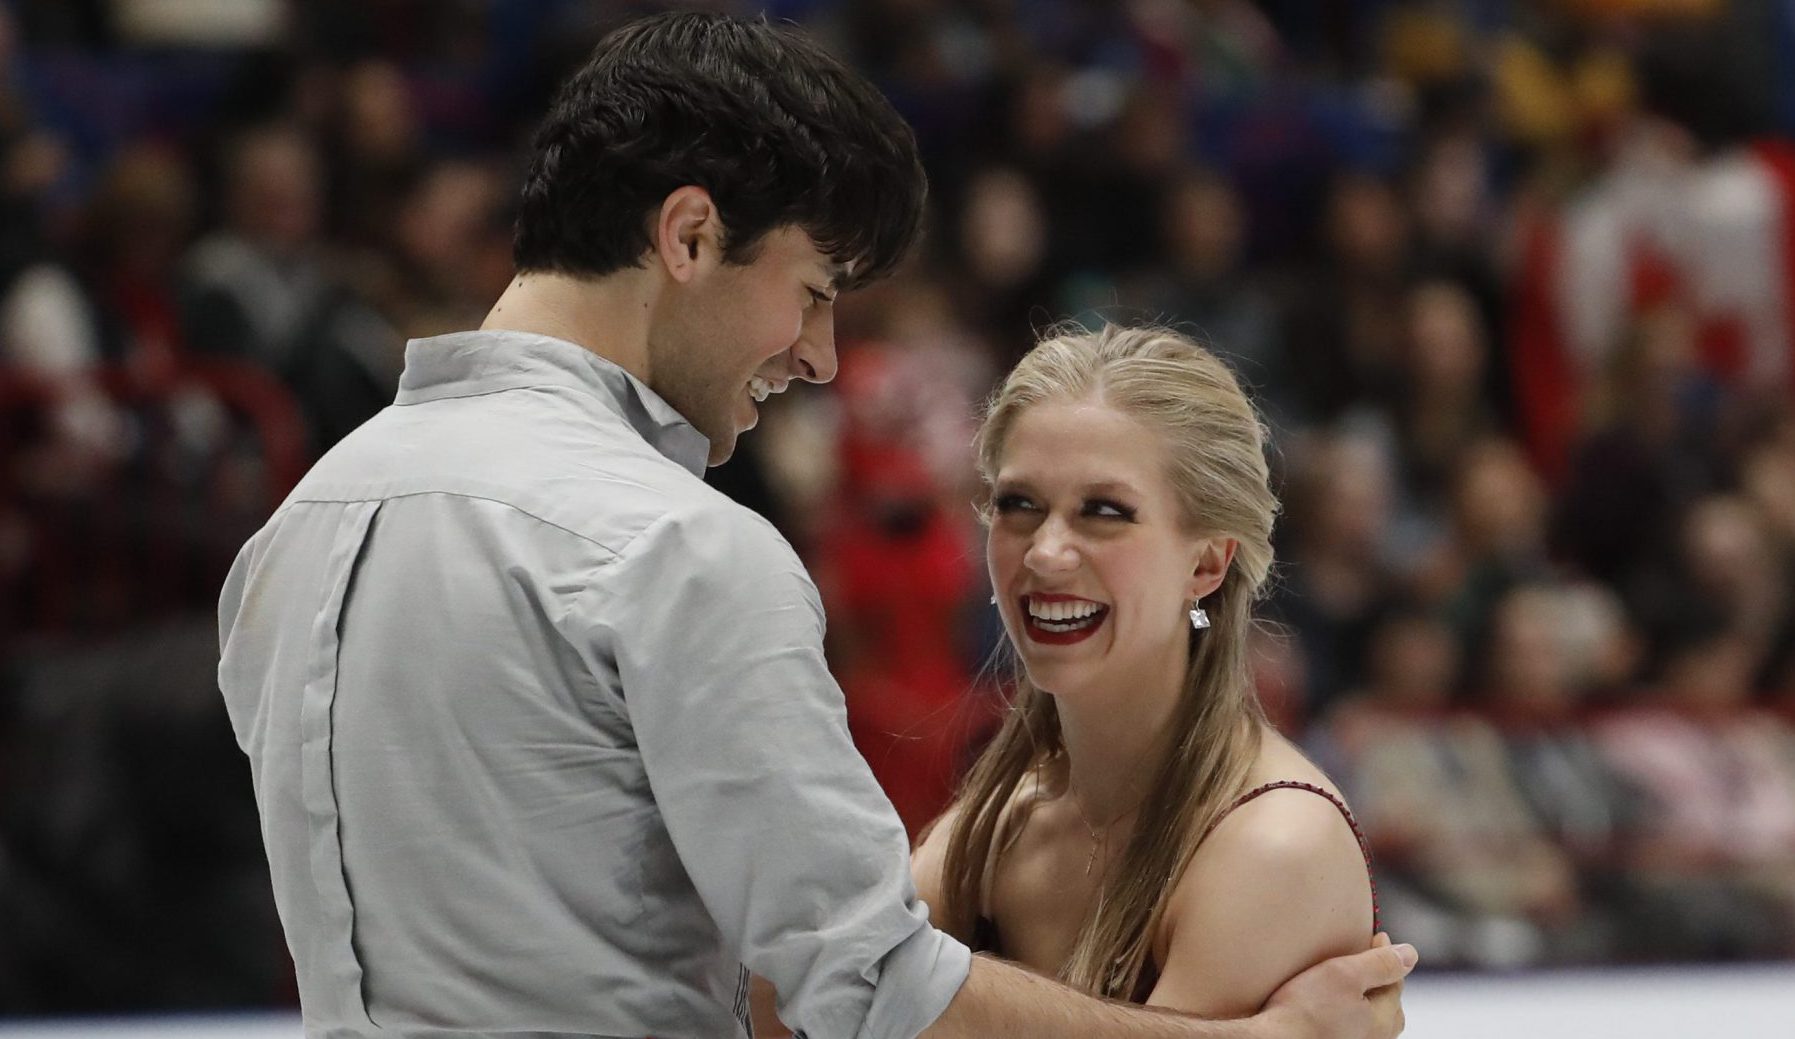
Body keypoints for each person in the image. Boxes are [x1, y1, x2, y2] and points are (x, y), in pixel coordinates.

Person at [217, 13, 1414, 1039]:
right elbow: (868, 986)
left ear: (1212, 557)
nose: (820, 354)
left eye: (1103, 510)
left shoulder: (293, 533)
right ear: (689, 236)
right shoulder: (677, 547)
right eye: (813, 290)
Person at [912, 324, 1382, 1014]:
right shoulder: (995, 825)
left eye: (1103, 512)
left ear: (1207, 564)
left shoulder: (1278, 843)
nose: (1043, 552)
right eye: (1019, 506)